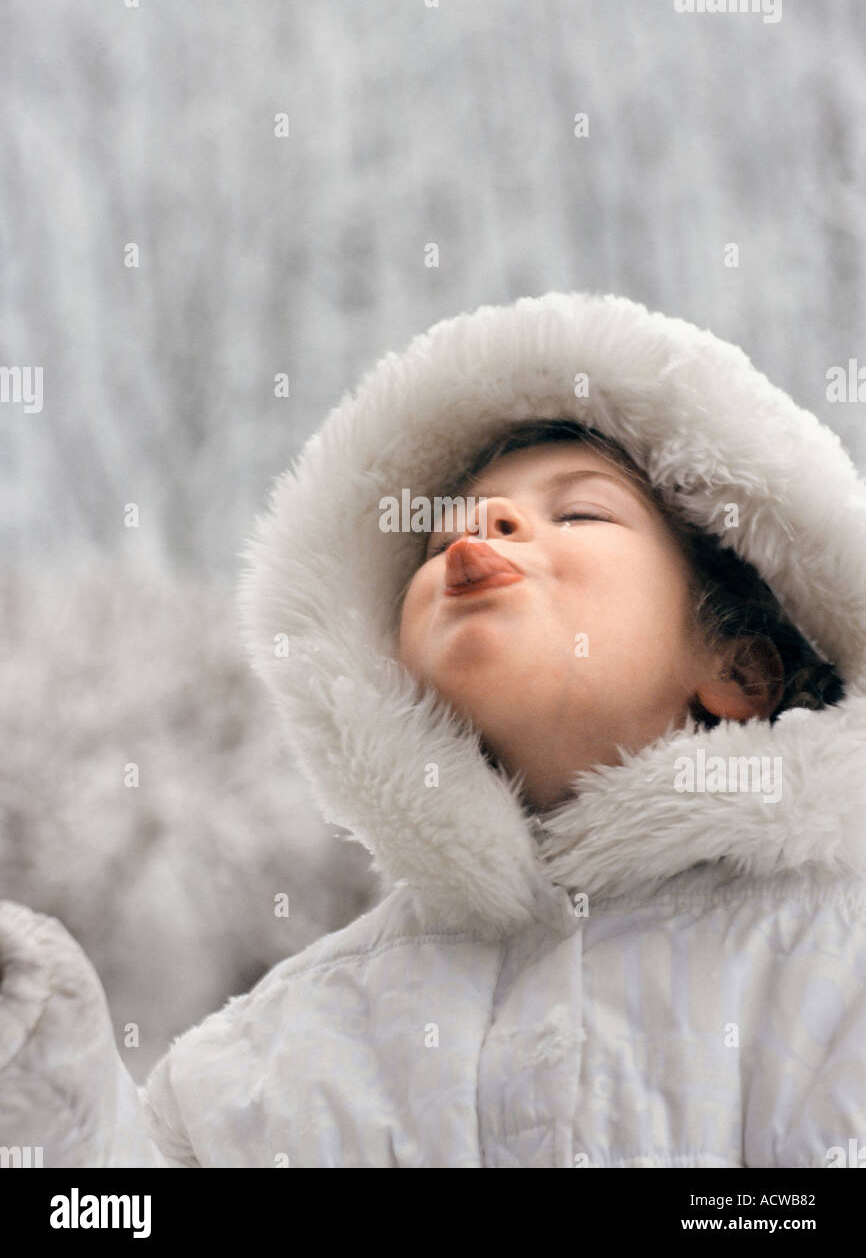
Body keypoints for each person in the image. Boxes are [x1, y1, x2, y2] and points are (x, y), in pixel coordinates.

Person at [2, 290, 865, 1167]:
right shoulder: (290, 1041)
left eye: (579, 512)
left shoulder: (833, 965)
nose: (481, 527)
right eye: (441, 532)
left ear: (740, 671)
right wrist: (40, 1070)